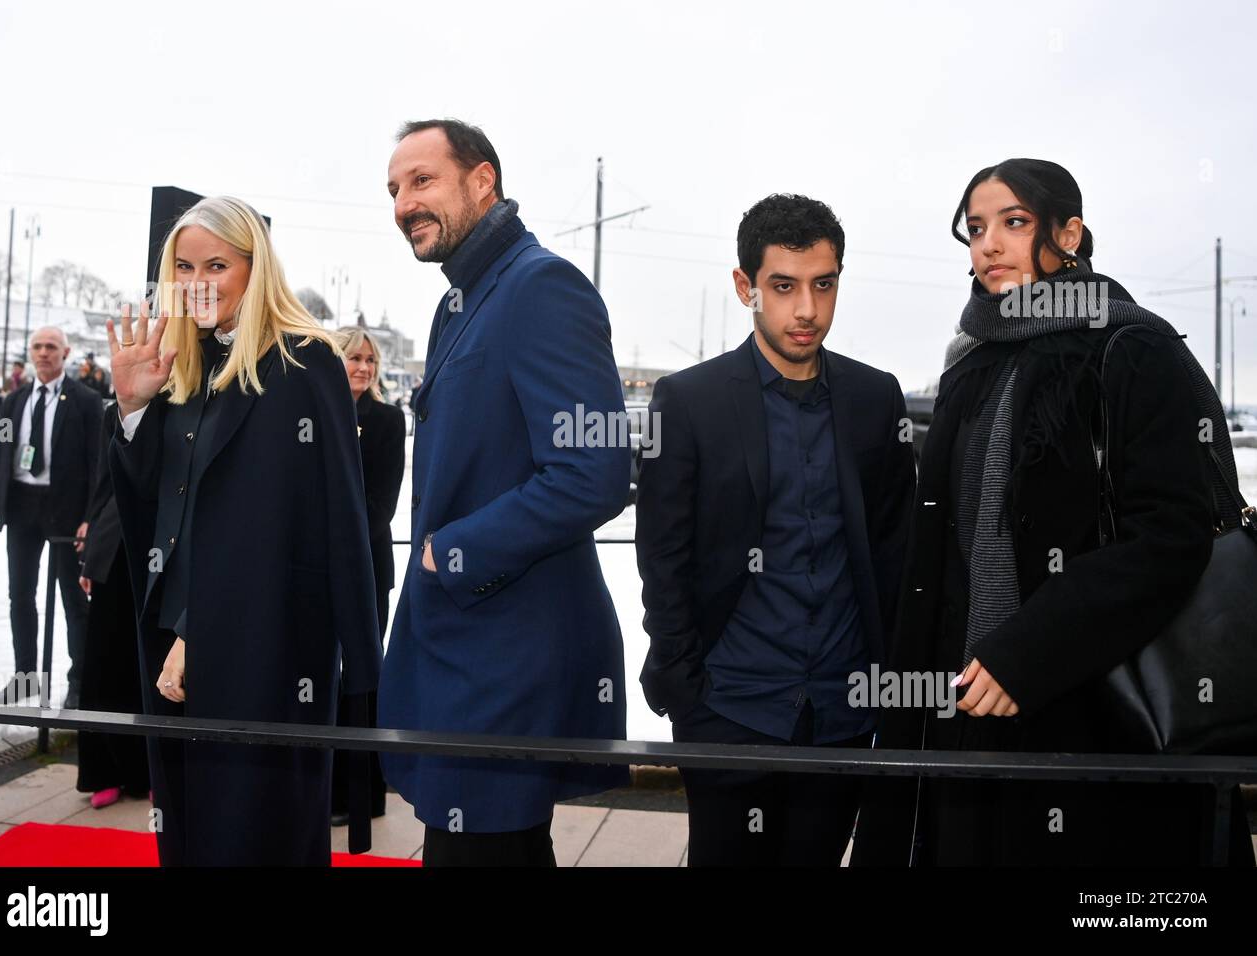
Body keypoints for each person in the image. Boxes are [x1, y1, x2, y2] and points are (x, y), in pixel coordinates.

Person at [851, 158, 1255, 867]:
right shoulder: (970, 360)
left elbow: (1171, 535)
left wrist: (1026, 654)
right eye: (976, 229)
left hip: (1094, 711)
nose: (988, 246)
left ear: (1069, 233)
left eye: (1013, 223)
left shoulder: (1133, 347)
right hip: (965, 706)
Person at [635, 194, 915, 866]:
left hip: (842, 712)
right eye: (783, 287)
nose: (807, 310)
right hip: (730, 709)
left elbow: (896, 552)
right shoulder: (690, 401)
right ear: (745, 287)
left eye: (824, 285)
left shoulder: (876, 399)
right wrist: (687, 691)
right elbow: (662, 558)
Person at [379, 118, 630, 866]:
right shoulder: (462, 298)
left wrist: (447, 554)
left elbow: (597, 470)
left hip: (502, 663)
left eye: (422, 180)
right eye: (394, 190)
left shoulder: (541, 285)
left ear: (482, 181)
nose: (403, 203)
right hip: (465, 652)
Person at [106, 195, 382, 866]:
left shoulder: (306, 361)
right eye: (183, 266)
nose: (197, 280)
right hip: (169, 640)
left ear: (256, 268)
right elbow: (152, 505)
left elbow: (328, 526)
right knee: (189, 830)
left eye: (217, 264)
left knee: (253, 835)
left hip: (270, 650)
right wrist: (132, 408)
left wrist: (363, 680)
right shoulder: (182, 363)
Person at [0, 328, 101, 708]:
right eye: (37, 347)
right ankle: (26, 677)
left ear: (65, 352)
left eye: (51, 347)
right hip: (21, 508)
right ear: (30, 353)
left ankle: (79, 684)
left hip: (66, 511)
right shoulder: (13, 402)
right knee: (21, 596)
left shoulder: (86, 401)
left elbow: (98, 462)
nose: (44, 353)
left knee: (73, 600)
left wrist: (90, 518)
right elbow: (0, 457)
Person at [329, 324, 405, 825]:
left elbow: (383, 505)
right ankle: (320, 786)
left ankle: (362, 795)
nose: (362, 368)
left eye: (369, 361)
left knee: (360, 679)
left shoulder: (386, 420)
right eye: (354, 359)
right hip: (313, 570)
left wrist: (336, 543)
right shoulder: (315, 414)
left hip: (365, 566)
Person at [75, 401, 150, 808]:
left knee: (154, 667)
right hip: (115, 549)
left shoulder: (195, 401)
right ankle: (104, 772)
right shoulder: (113, 412)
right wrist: (93, 555)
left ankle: (155, 772)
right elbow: (104, 486)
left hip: (166, 551)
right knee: (104, 664)